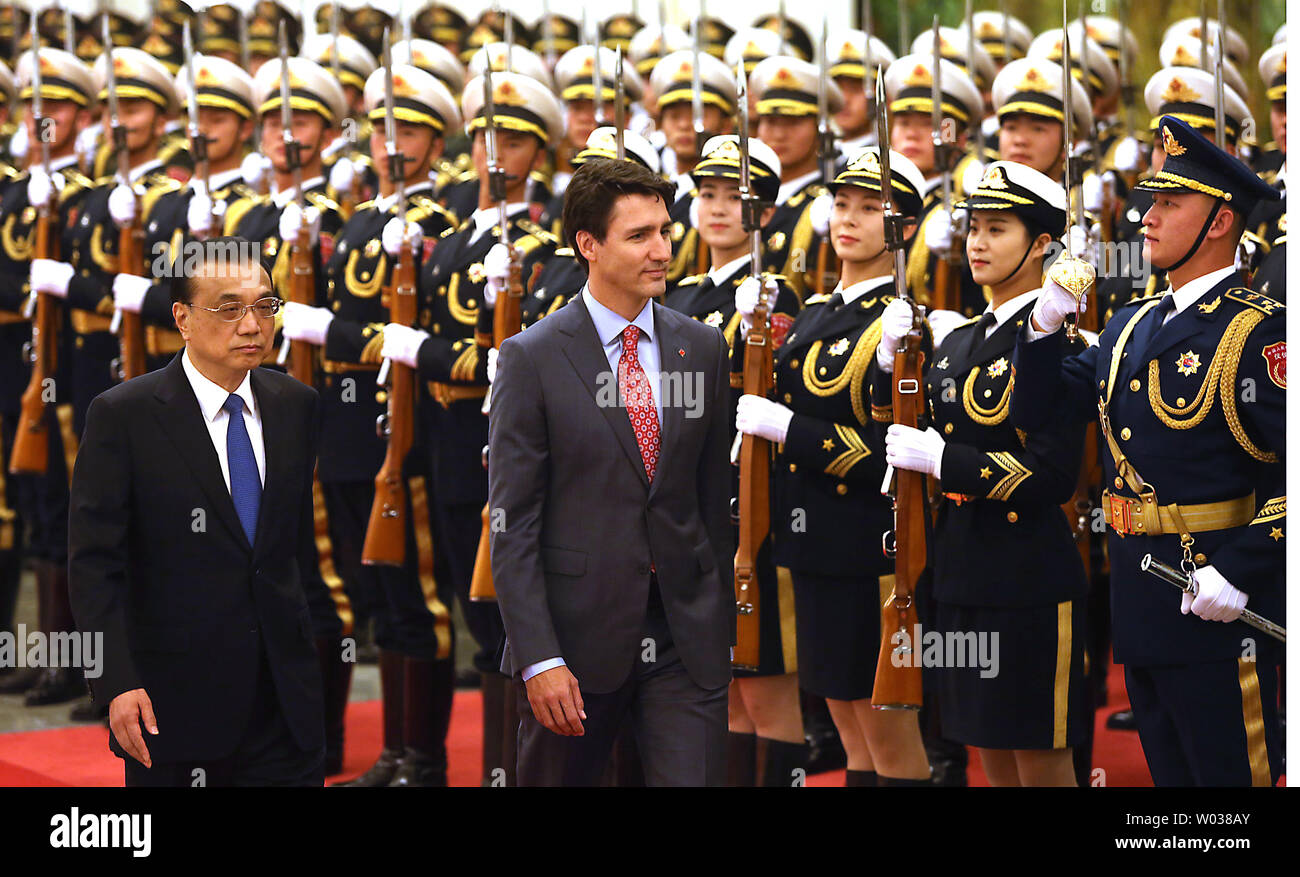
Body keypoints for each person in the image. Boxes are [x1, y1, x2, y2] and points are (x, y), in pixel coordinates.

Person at [1011, 115, 1285, 786]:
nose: (1146, 219)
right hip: (1143, 602)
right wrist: (1044, 325)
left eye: (1168, 204)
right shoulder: (1130, 324)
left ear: (1219, 221)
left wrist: (1244, 566)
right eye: (1149, 202)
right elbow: (1037, 413)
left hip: (1221, 604)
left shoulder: (1257, 331)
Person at [488, 157, 735, 786]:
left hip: (684, 641)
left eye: (664, 231)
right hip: (572, 645)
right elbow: (513, 524)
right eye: (639, 236)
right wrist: (538, 657)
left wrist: (717, 616)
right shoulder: (532, 358)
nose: (662, 249)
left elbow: (712, 497)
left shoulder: (700, 347)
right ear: (588, 245)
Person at [68, 239, 326, 787]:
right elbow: (95, 566)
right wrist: (114, 681)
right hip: (171, 709)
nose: (252, 325)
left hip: (286, 708)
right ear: (182, 319)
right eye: (229, 308)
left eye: (265, 306)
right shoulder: (124, 416)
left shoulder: (295, 405)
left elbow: (293, 553)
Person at [882, 161, 1088, 786]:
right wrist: (894, 367)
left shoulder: (1063, 344)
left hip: (1027, 572)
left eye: (998, 229)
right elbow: (904, 438)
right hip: (960, 567)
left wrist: (946, 463)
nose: (977, 243)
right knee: (988, 753)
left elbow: (1051, 476)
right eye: (974, 227)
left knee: (1041, 760)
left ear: (1043, 243)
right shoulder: (959, 340)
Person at [736, 146, 932, 787]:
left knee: (888, 728)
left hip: (866, 544)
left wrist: (790, 431)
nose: (849, 218)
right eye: (842, 204)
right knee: (847, 725)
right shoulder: (818, 310)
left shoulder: (900, 324)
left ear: (901, 226)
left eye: (872, 208)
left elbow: (887, 453)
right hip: (810, 541)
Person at [662, 134, 805, 785]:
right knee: (720, 684)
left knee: (764, 682)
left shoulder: (776, 297)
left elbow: (770, 390)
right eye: (709, 194)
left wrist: (761, 322)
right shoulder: (680, 294)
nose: (719, 209)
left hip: (747, 506)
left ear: (766, 215)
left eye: (737, 198)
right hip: (688, 501)